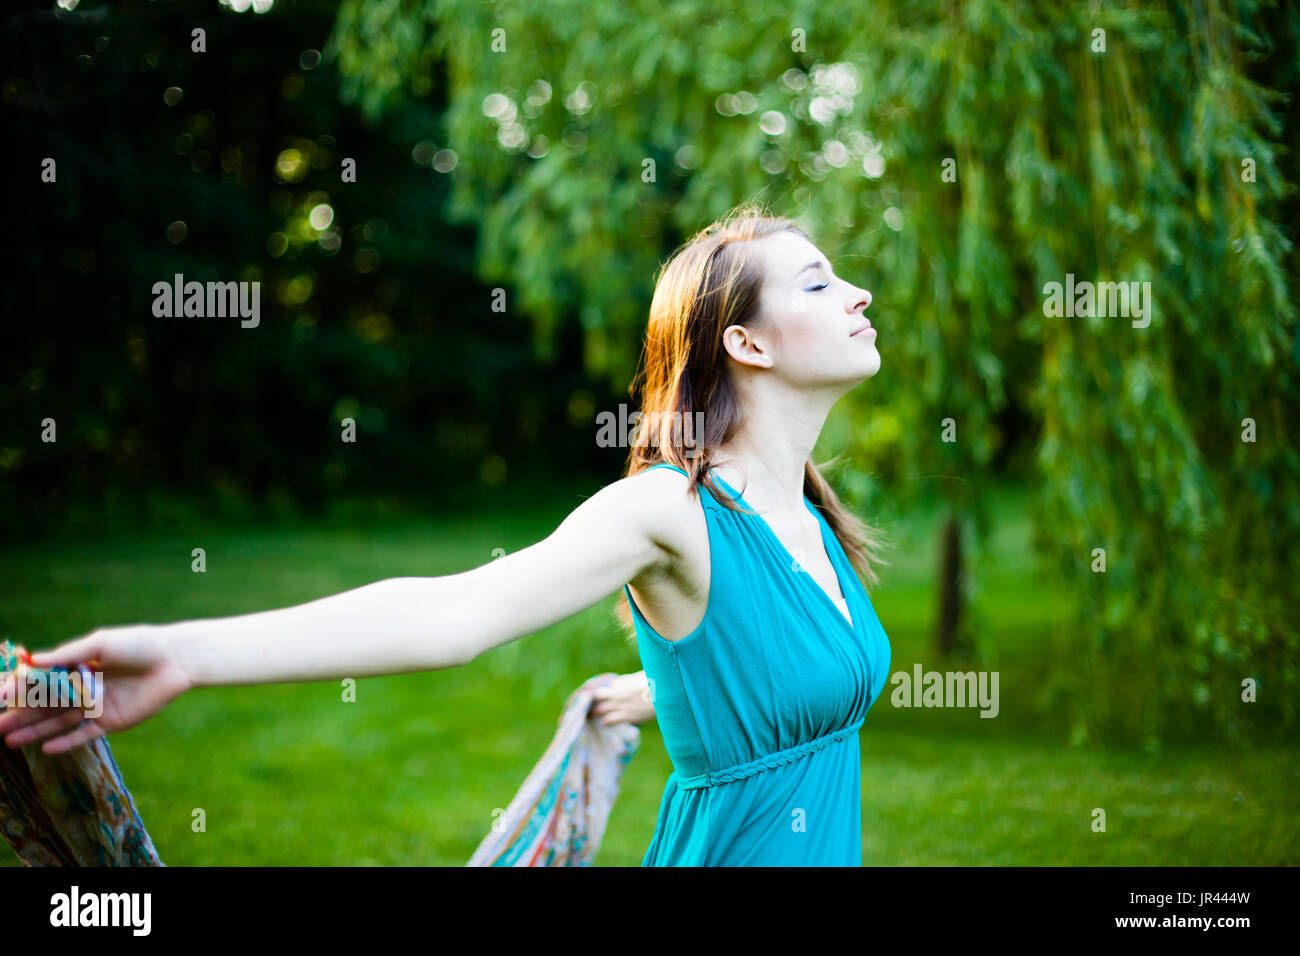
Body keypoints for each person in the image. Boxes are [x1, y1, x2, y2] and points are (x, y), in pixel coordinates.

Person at [0, 202, 892, 866]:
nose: (857, 293)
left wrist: (662, 690)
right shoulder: (669, 511)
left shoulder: (809, 514)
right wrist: (181, 653)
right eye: (817, 282)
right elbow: (453, 612)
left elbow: (764, 661)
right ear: (749, 345)